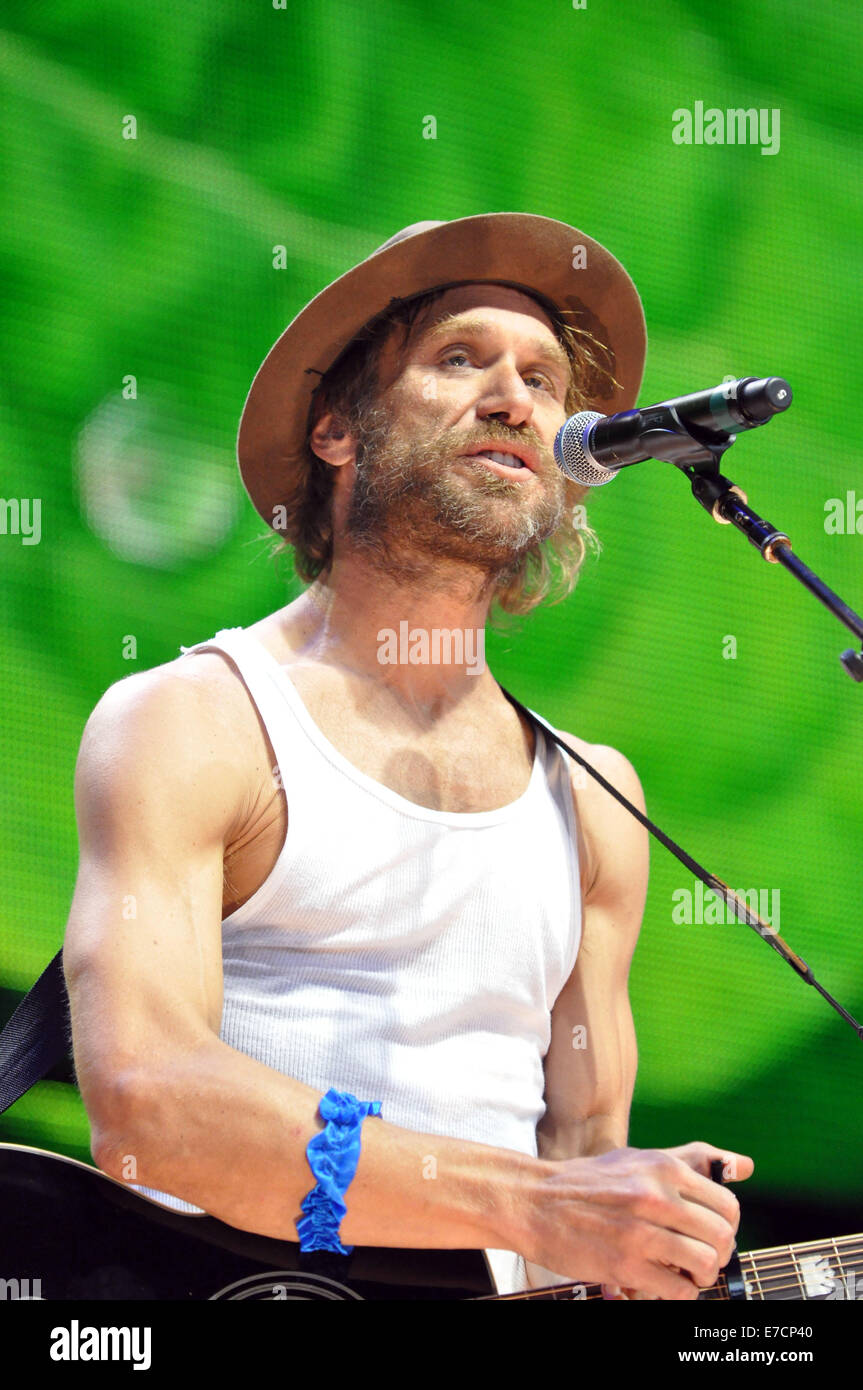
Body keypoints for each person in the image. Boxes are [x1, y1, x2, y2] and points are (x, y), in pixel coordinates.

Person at [63, 214, 753, 1299]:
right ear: (335, 428)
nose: (513, 398)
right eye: (458, 358)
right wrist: (533, 1203)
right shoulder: (198, 721)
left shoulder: (597, 798)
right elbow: (150, 1103)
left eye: (541, 378)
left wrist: (638, 1241)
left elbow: (582, 1186)